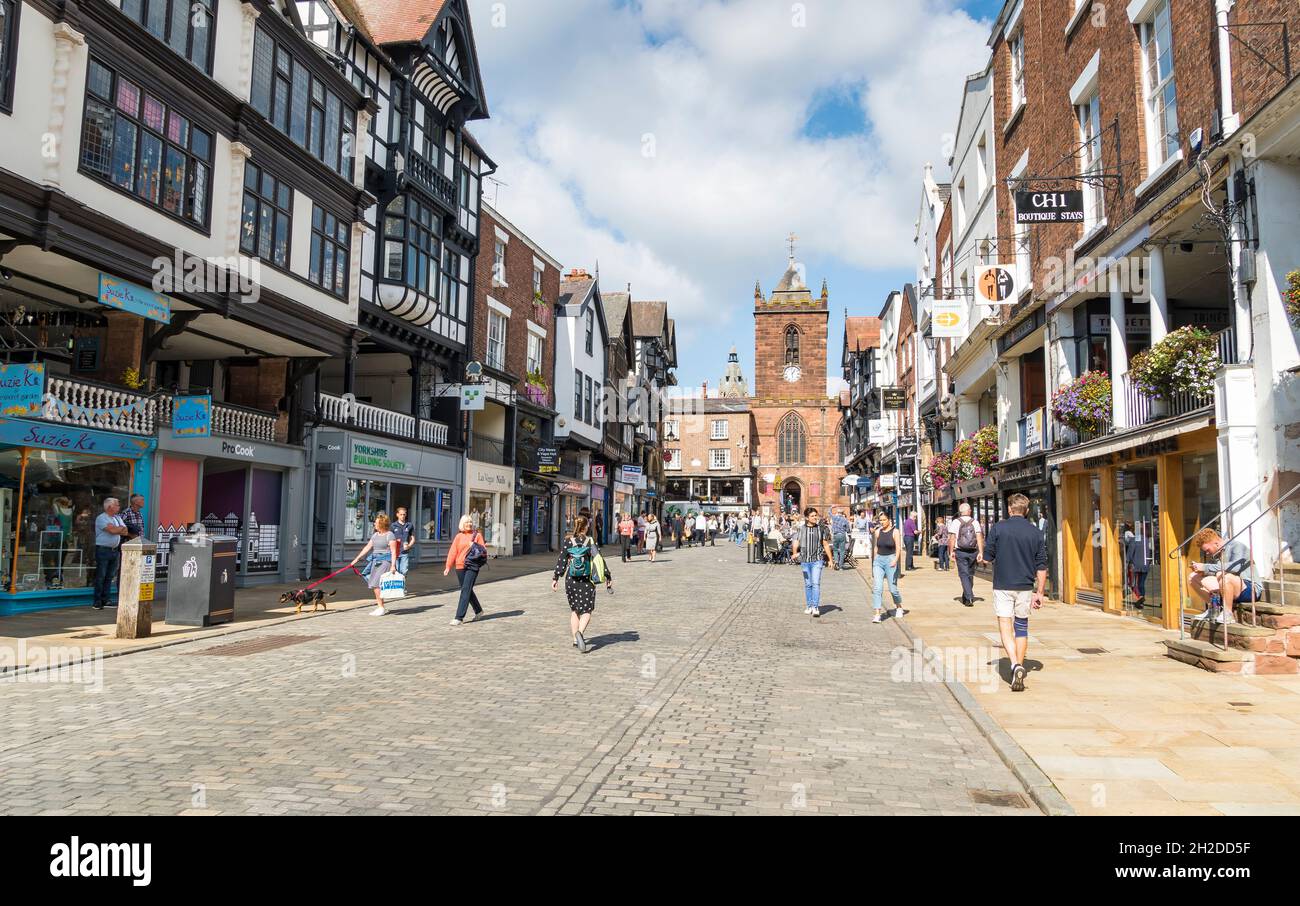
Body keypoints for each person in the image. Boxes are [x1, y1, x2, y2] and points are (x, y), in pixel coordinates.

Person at [981, 493, 1047, 692]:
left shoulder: (999, 528)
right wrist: (1040, 592)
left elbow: (988, 557)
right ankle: (1019, 662)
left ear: (1010, 510)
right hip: (1025, 586)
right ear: (1026, 511)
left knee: (1005, 625)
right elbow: (1041, 565)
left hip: (1003, 585)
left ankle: (1015, 664)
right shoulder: (1035, 532)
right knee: (1022, 626)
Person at [552, 515, 612, 652]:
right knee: (587, 611)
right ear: (586, 527)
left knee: (575, 610)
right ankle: (580, 632)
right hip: (587, 580)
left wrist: (555, 578)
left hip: (571, 580)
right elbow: (599, 561)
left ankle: (575, 639)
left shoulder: (568, 542)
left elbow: (561, 561)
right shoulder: (590, 541)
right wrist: (608, 576)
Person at [1188, 527, 1260, 624]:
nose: (1207, 553)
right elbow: (1214, 571)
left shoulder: (1237, 546)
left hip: (1249, 588)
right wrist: (1201, 571)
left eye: (1207, 550)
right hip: (1226, 587)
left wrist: (1205, 567)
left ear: (1216, 543)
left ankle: (1228, 614)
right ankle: (1214, 609)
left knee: (1223, 576)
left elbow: (1235, 568)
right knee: (1193, 577)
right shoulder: (1215, 554)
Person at [350, 512, 401, 617]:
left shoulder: (390, 535)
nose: (374, 524)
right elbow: (367, 548)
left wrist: (393, 565)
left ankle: (381, 607)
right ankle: (380, 606)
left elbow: (394, 551)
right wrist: (356, 559)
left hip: (385, 561)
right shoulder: (375, 535)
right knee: (374, 584)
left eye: (376, 523)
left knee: (377, 583)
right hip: (375, 561)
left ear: (382, 524)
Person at [442, 515, 488, 625]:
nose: (469, 524)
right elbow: (453, 551)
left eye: (470, 522)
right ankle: (478, 610)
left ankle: (459, 617)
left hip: (472, 565)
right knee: (467, 590)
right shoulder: (459, 536)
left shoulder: (477, 535)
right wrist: (448, 566)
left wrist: (474, 544)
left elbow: (483, 551)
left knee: (465, 590)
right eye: (467, 522)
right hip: (460, 566)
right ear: (462, 524)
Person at [790, 507, 833, 617]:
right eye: (812, 516)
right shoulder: (801, 529)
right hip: (805, 561)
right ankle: (809, 605)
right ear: (807, 518)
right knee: (808, 584)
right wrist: (794, 553)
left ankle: (815, 606)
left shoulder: (820, 529)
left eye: (816, 515)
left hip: (817, 560)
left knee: (815, 583)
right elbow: (796, 542)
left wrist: (831, 560)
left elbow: (825, 544)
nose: (815, 517)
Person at [92, 497, 129, 610]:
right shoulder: (101, 518)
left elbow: (126, 531)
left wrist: (117, 528)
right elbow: (112, 531)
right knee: (101, 576)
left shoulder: (117, 518)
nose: (119, 507)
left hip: (114, 550)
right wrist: (118, 529)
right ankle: (97, 601)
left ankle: (106, 599)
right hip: (103, 549)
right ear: (109, 507)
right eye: (117, 505)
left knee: (109, 577)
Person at [870, 512, 905, 623]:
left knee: (892, 589)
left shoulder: (895, 532)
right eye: (880, 520)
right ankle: (877, 614)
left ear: (889, 520)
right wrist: (875, 559)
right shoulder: (877, 532)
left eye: (884, 520)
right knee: (877, 588)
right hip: (879, 561)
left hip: (891, 560)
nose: (882, 522)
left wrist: (895, 560)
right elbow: (876, 547)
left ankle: (899, 606)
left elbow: (898, 548)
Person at [949, 502, 984, 607]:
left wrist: (951, 551)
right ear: (968, 511)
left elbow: (952, 538)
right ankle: (966, 595)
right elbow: (979, 537)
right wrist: (981, 552)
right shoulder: (975, 522)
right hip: (973, 552)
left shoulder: (956, 522)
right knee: (969, 574)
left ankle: (968, 597)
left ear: (960, 512)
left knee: (964, 574)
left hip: (960, 551)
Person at [391, 506, 415, 575]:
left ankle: (402, 584)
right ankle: (398, 585)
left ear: (406, 515)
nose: (402, 516)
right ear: (397, 515)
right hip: (395, 552)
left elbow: (413, 539)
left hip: (405, 552)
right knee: (396, 572)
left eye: (404, 514)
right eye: (401, 514)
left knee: (404, 571)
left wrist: (409, 546)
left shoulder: (409, 525)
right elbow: (389, 539)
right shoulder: (393, 526)